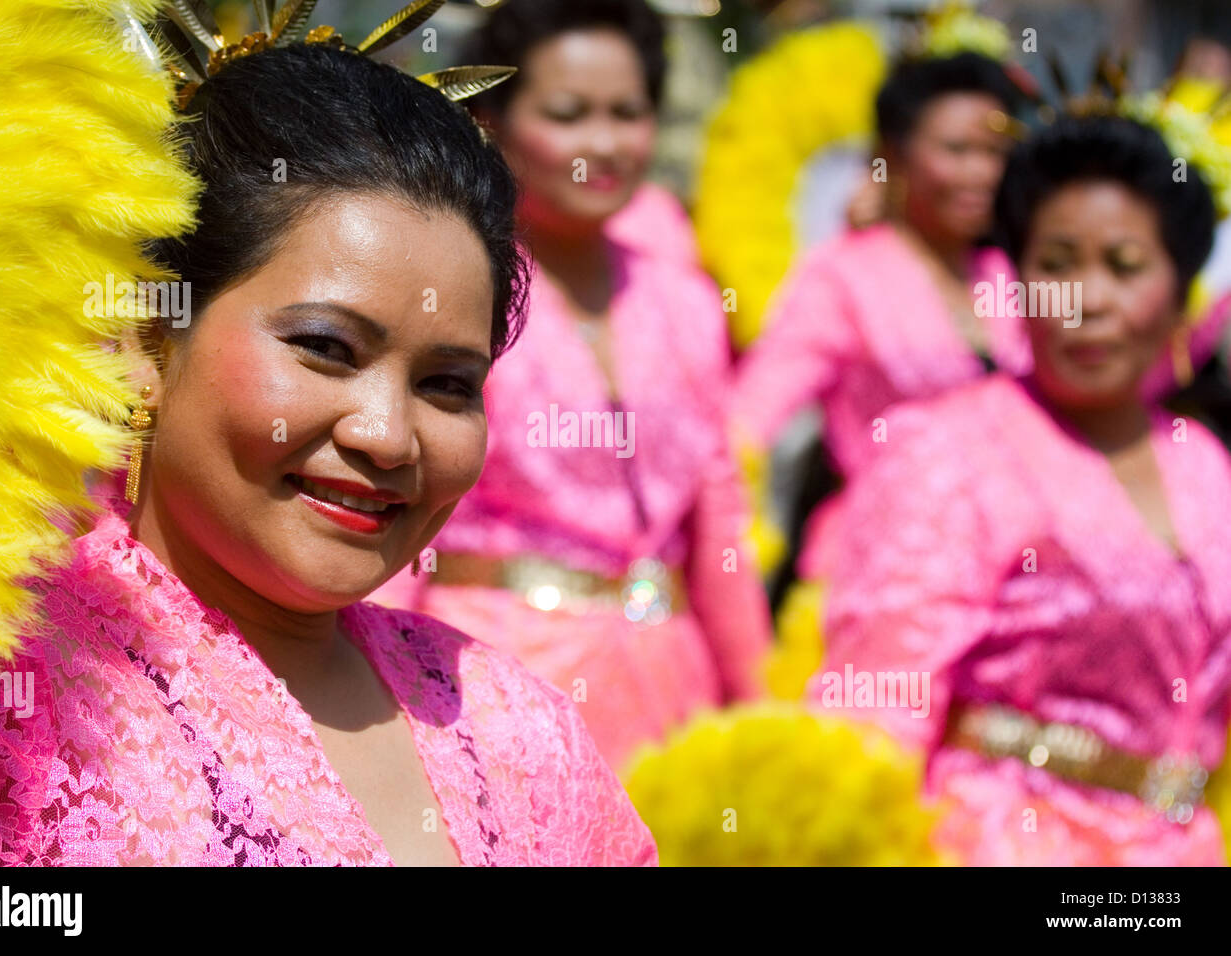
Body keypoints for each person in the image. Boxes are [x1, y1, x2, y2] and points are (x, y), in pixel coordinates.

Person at [0, 6, 656, 867]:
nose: (389, 437)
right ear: (149, 341)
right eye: (324, 348)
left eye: (447, 385)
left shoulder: (524, 731)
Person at [816, 112, 1231, 865]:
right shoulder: (949, 449)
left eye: (1125, 265)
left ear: (1179, 293)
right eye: (1057, 263)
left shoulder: (1202, 461)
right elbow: (874, 707)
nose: (1085, 299)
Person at [377, 0, 771, 770]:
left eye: (627, 113)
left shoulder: (686, 298)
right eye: (568, 113)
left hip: (674, 699)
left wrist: (759, 709)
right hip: (488, 687)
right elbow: (403, 489)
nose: (603, 144)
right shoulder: (450, 291)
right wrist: (377, 691)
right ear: (492, 121)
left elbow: (717, 517)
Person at [730, 50, 1026, 585]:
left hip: (1012, 567)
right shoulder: (846, 274)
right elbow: (749, 418)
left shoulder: (1016, 272)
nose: (981, 172)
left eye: (996, 151)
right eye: (956, 149)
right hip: (877, 567)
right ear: (895, 156)